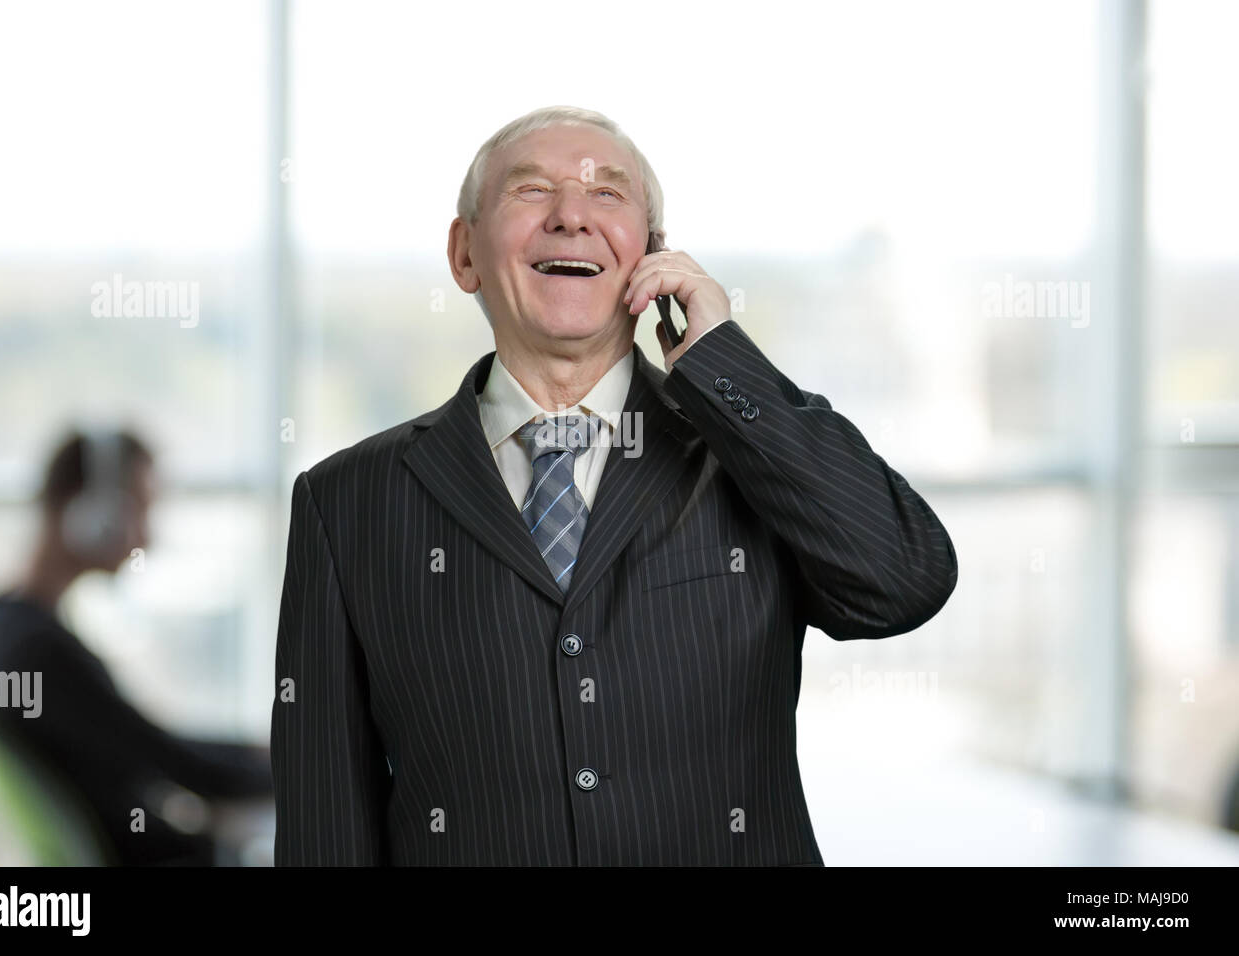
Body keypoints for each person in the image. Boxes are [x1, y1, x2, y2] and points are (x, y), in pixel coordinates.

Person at [271, 105, 958, 866]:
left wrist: (725, 365)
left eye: (608, 194)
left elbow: (904, 581)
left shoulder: (746, 458)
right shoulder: (346, 502)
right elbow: (323, 822)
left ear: (654, 257)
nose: (571, 217)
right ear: (464, 254)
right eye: (530, 191)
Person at [0, 427, 272, 865]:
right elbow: (172, 761)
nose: (145, 537)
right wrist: (304, 767)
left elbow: (143, 741)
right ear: (88, 510)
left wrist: (259, 753)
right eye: (139, 508)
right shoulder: (38, 650)